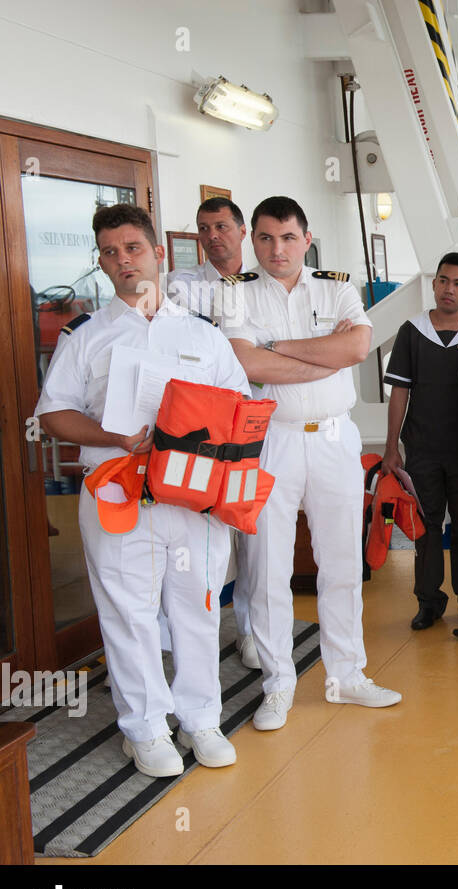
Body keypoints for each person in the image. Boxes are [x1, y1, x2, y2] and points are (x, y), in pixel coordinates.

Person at [35, 203, 249, 775]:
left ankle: (201, 718)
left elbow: (240, 410)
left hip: (192, 497)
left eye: (132, 248)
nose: (122, 260)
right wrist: (114, 433)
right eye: (110, 252)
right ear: (102, 263)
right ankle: (145, 727)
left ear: (158, 253)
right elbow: (54, 413)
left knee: (198, 608)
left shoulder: (204, 336)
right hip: (116, 492)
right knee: (127, 612)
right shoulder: (86, 335)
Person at [223, 195, 401, 730]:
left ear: (306, 238)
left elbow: (356, 350)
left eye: (288, 237)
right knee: (269, 566)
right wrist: (318, 354)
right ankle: (278, 684)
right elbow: (244, 362)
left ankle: (347, 674)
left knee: (342, 562)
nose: (277, 249)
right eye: (265, 238)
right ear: (252, 241)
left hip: (333, 439)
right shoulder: (234, 294)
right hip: (269, 440)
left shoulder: (336, 286)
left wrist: (277, 350)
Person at [165, 196, 262, 670]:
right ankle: (183, 641)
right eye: (204, 228)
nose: (212, 236)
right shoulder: (181, 288)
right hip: (201, 427)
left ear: (242, 230)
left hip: (255, 421)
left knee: (250, 531)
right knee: (202, 530)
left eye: (221, 226)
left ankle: (249, 631)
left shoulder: (267, 282)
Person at [381, 252, 458, 632]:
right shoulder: (412, 332)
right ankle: (428, 601)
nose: (449, 289)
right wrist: (392, 448)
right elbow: (399, 393)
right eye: (443, 280)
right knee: (424, 527)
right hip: (422, 448)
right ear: (434, 283)